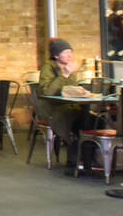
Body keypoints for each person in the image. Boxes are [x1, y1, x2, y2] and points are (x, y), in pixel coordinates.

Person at [35, 37, 95, 169]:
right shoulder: (48, 68)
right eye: (65, 52)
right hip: (52, 109)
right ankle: (75, 160)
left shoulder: (70, 68)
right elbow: (48, 92)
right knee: (79, 123)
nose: (69, 55)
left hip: (69, 107)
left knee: (94, 120)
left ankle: (88, 158)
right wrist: (65, 75)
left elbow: (72, 90)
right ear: (56, 55)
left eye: (70, 52)